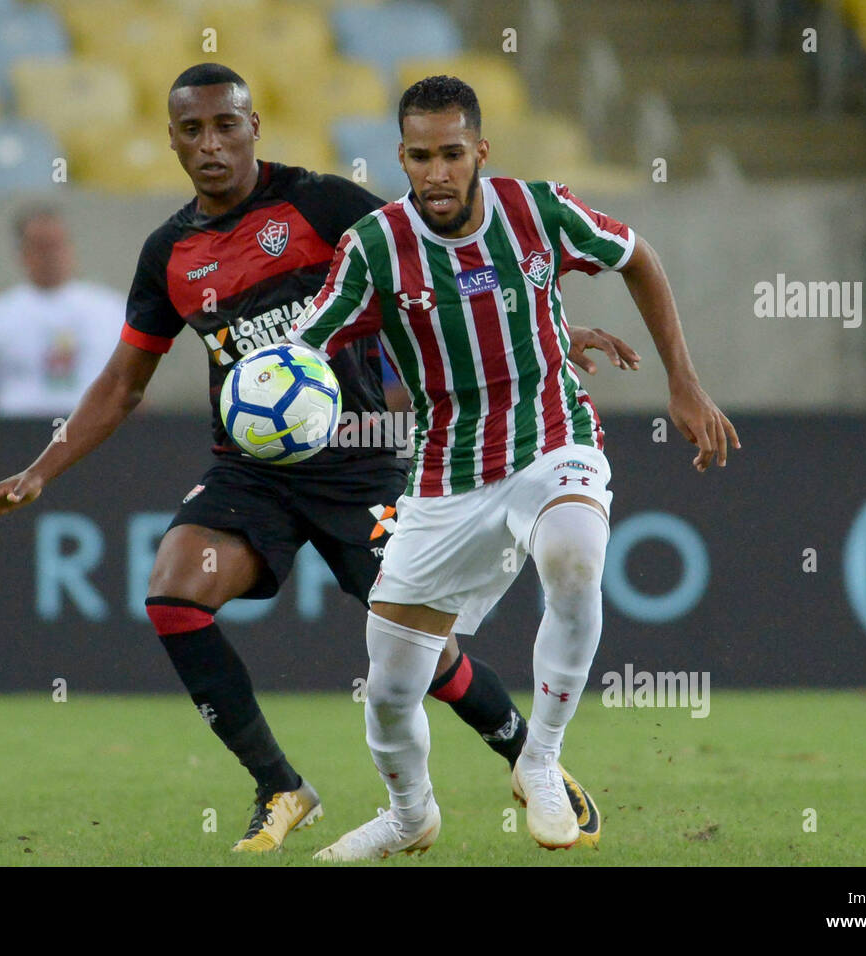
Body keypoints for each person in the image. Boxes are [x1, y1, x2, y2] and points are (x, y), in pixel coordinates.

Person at [0, 63, 633, 853]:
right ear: (173, 141)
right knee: (173, 594)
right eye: (193, 130)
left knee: (428, 659)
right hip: (252, 471)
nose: (211, 144)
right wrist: (39, 470)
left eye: (226, 126)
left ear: (255, 127)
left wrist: (556, 332)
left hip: (362, 460)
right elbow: (122, 381)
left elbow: (448, 258)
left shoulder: (322, 203)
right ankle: (280, 784)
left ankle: (530, 760)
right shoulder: (170, 254)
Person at [292, 75, 740, 860]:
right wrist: (272, 387)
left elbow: (638, 255)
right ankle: (408, 815)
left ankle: (540, 758)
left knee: (574, 557)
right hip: (443, 474)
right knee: (393, 689)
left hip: (549, 437)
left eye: (452, 154)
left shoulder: (538, 210)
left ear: (480, 152)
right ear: (400, 156)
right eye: (420, 156)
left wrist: (684, 380)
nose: (436, 173)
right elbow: (309, 342)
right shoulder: (374, 247)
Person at [0, 206, 124, 417]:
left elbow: (132, 386)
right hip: (16, 436)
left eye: (57, 245)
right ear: (22, 253)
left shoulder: (112, 309)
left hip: (93, 434)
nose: (51, 255)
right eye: (41, 247)